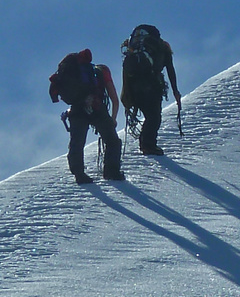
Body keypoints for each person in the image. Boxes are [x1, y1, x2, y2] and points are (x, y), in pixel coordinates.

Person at [48, 48, 124, 183]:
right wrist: (113, 119)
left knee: (77, 142)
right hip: (96, 107)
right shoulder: (102, 71)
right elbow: (114, 99)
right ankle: (112, 172)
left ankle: (79, 174)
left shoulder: (72, 71)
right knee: (113, 141)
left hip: (76, 108)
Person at [119, 24, 181, 155]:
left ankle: (146, 143)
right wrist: (175, 91)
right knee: (154, 117)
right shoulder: (162, 47)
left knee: (150, 116)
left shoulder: (133, 48)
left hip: (135, 88)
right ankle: (148, 145)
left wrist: (126, 95)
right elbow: (170, 69)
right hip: (152, 86)